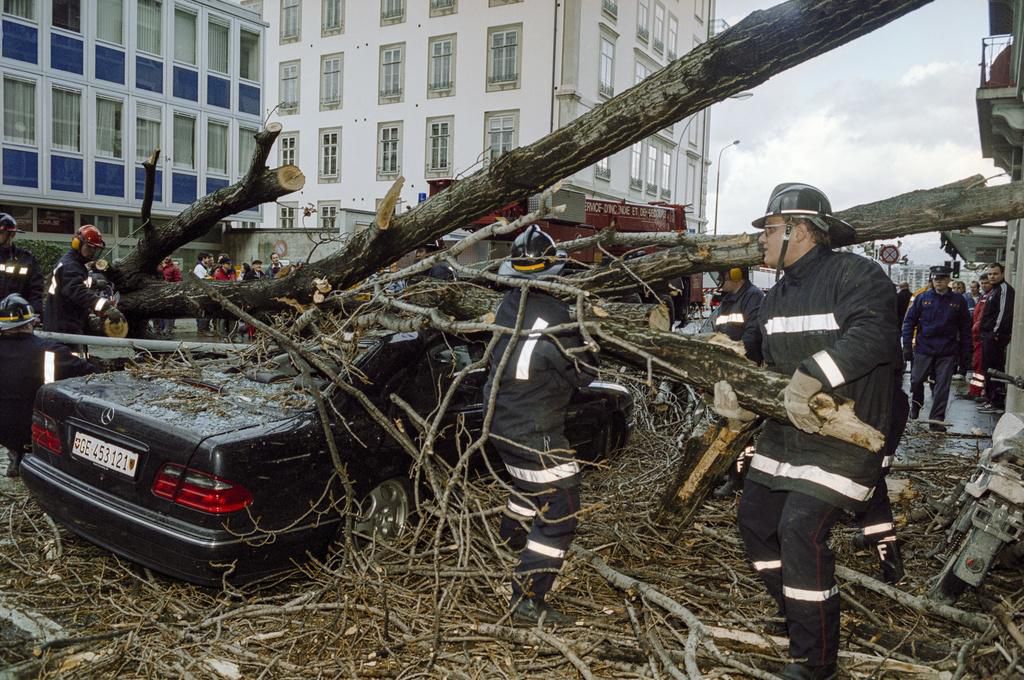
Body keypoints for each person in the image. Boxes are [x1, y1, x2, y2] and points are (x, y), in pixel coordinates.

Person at [716, 183, 898, 680]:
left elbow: (875, 334)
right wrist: (734, 385)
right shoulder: (774, 297)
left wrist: (814, 372)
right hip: (787, 434)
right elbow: (758, 355)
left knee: (799, 529)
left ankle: (818, 662)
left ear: (798, 230)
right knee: (756, 523)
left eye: (769, 230)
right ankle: (802, 612)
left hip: (849, 434)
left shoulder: (857, 276)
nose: (761, 240)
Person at [483, 224, 597, 626]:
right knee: (562, 506)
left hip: (499, 422)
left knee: (527, 486)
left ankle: (509, 543)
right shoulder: (557, 316)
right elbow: (583, 372)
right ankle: (527, 598)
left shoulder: (507, 304)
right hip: (535, 430)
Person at [0, 294, 94, 476]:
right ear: (31, 323)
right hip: (38, 425)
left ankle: (16, 455)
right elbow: (90, 374)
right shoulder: (50, 351)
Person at [709, 266, 764, 498]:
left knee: (740, 429)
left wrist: (735, 357)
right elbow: (716, 332)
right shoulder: (727, 301)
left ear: (735, 275)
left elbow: (752, 336)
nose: (720, 280)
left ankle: (739, 478)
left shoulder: (753, 298)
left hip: (744, 372)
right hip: (726, 373)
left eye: (723, 276)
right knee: (728, 424)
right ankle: (730, 471)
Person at [901, 266, 970, 432]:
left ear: (948, 280)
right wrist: (906, 346)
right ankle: (917, 403)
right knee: (916, 380)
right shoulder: (922, 298)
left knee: (942, 387)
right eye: (935, 278)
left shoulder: (958, 301)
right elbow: (909, 322)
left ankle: (936, 420)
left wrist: (965, 355)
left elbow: (965, 328)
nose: (938, 281)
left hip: (947, 350)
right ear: (932, 280)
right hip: (924, 348)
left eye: (942, 278)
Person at [43, 225, 124, 338]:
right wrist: (105, 306)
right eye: (89, 247)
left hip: (68, 320)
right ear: (77, 244)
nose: (92, 252)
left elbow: (77, 282)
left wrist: (95, 283)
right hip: (63, 326)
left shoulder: (76, 264)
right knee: (69, 355)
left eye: (95, 249)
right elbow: (78, 292)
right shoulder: (70, 266)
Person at [979, 262, 1014, 414]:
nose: (992, 276)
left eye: (995, 274)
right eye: (990, 274)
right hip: (988, 335)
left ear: (1002, 273)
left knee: (995, 369)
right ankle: (990, 398)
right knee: (988, 368)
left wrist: (995, 333)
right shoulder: (994, 290)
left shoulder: (1004, 289)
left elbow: (1003, 312)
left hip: (995, 336)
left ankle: (997, 401)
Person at [0, 212, 44, 313]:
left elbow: (36, 289)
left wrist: (35, 312)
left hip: (17, 316)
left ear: (12, 234)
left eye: (0, 233)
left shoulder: (26, 259)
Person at [968, 274, 992, 400]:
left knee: (980, 365)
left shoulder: (988, 297)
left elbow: (981, 318)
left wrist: (976, 330)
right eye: (982, 283)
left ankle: (977, 391)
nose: (983, 285)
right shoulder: (984, 297)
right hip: (977, 337)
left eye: (986, 283)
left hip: (981, 336)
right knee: (977, 364)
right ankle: (975, 390)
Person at [193, 253, 214, 336]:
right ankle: (202, 330)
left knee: (205, 312)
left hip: (204, 293)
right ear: (203, 258)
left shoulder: (203, 267)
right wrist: (209, 278)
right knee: (203, 312)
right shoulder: (199, 268)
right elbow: (200, 280)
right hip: (201, 293)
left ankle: (204, 329)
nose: (209, 260)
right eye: (207, 258)